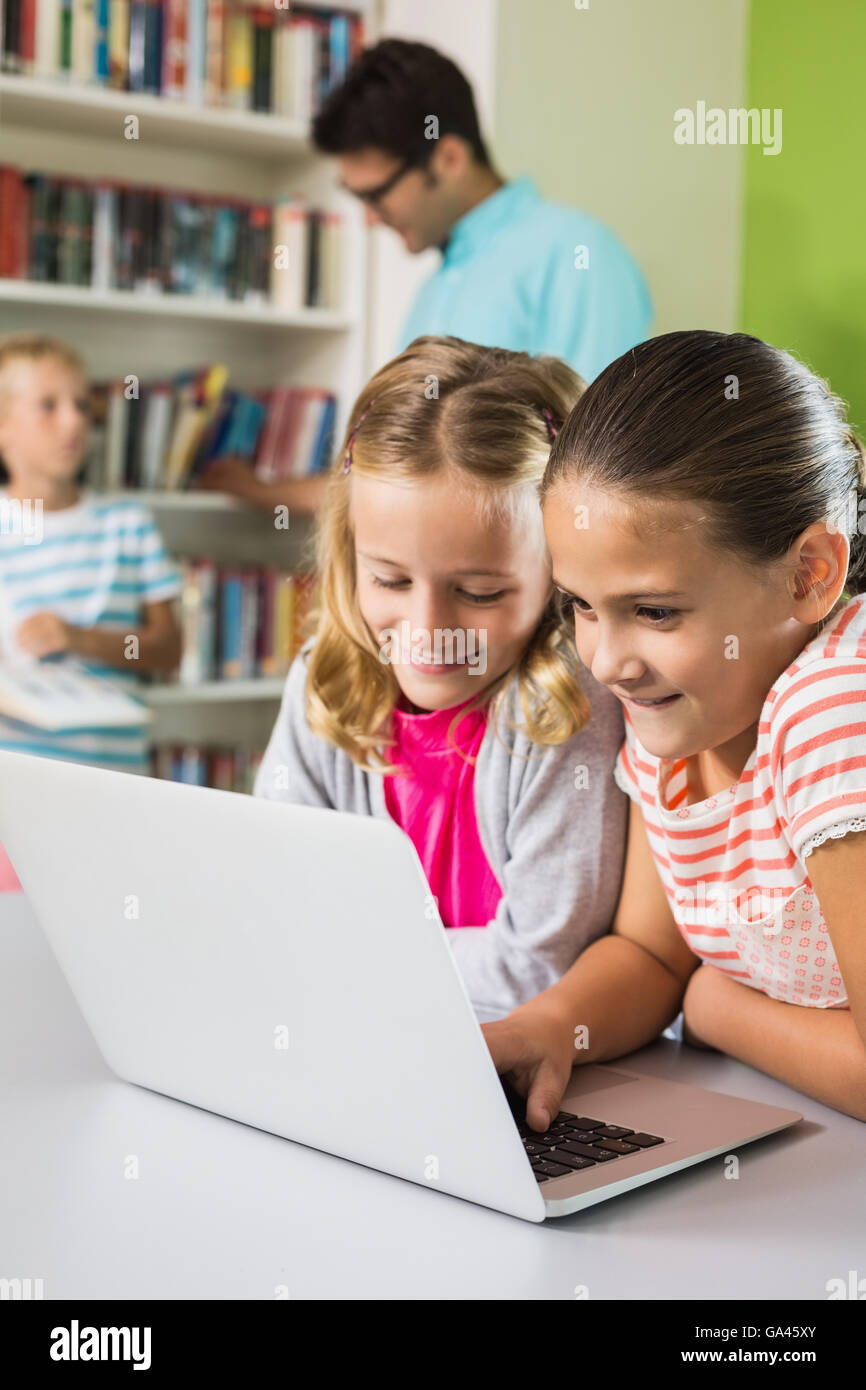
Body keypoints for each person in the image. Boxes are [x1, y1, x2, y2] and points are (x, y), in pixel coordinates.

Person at [482, 329, 866, 1125]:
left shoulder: (835, 707)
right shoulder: (678, 717)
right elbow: (653, 955)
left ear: (810, 575)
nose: (607, 660)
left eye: (654, 612)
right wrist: (549, 1025)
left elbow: (689, 985)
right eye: (581, 606)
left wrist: (714, 1006)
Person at [253, 335, 628, 1018]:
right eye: (390, 579)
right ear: (349, 553)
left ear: (560, 576)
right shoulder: (324, 682)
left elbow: (537, 969)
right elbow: (280, 906)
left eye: (481, 593)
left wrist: (350, 960)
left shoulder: (569, 706)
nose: (428, 632)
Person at [208, 39, 653, 516]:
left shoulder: (577, 255)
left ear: (449, 159)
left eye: (376, 196)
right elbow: (396, 476)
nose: (371, 219)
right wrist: (258, 491)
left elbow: (597, 476)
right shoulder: (437, 288)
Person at [0, 335, 182, 775]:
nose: (74, 422)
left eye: (82, 406)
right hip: (17, 782)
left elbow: (168, 650)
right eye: (48, 405)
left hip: (114, 776)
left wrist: (78, 639)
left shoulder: (126, 523)